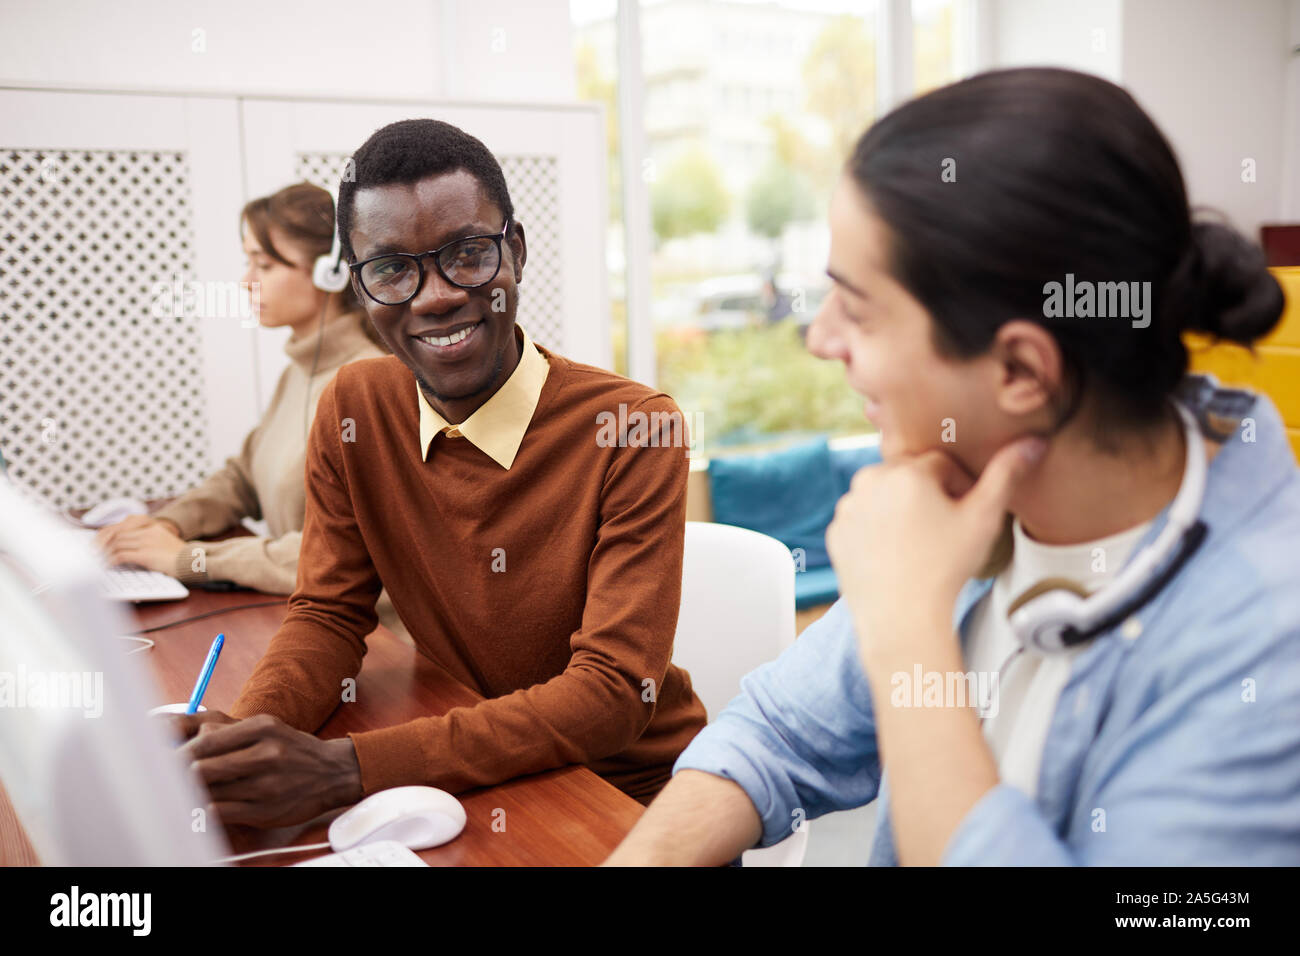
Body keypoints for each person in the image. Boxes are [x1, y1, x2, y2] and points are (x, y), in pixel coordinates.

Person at [605, 67, 1300, 866]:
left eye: (857, 308)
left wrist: (907, 630)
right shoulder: (967, 479)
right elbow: (777, 734)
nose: (820, 338)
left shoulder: (1268, 652)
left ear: (1019, 374)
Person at [171, 119, 707, 827]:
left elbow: (610, 696)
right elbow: (330, 613)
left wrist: (347, 769)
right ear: (359, 288)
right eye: (392, 269)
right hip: (483, 771)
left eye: (467, 253)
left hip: (634, 796)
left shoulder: (634, 427)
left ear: (514, 250)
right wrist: (248, 738)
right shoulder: (353, 407)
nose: (435, 296)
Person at [95, 183, 389, 601]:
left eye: (264, 265)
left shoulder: (370, 384)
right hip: (308, 611)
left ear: (332, 271)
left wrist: (190, 558)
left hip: (377, 642)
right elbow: (244, 478)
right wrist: (169, 525)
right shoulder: (299, 374)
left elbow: (346, 553)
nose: (246, 282)